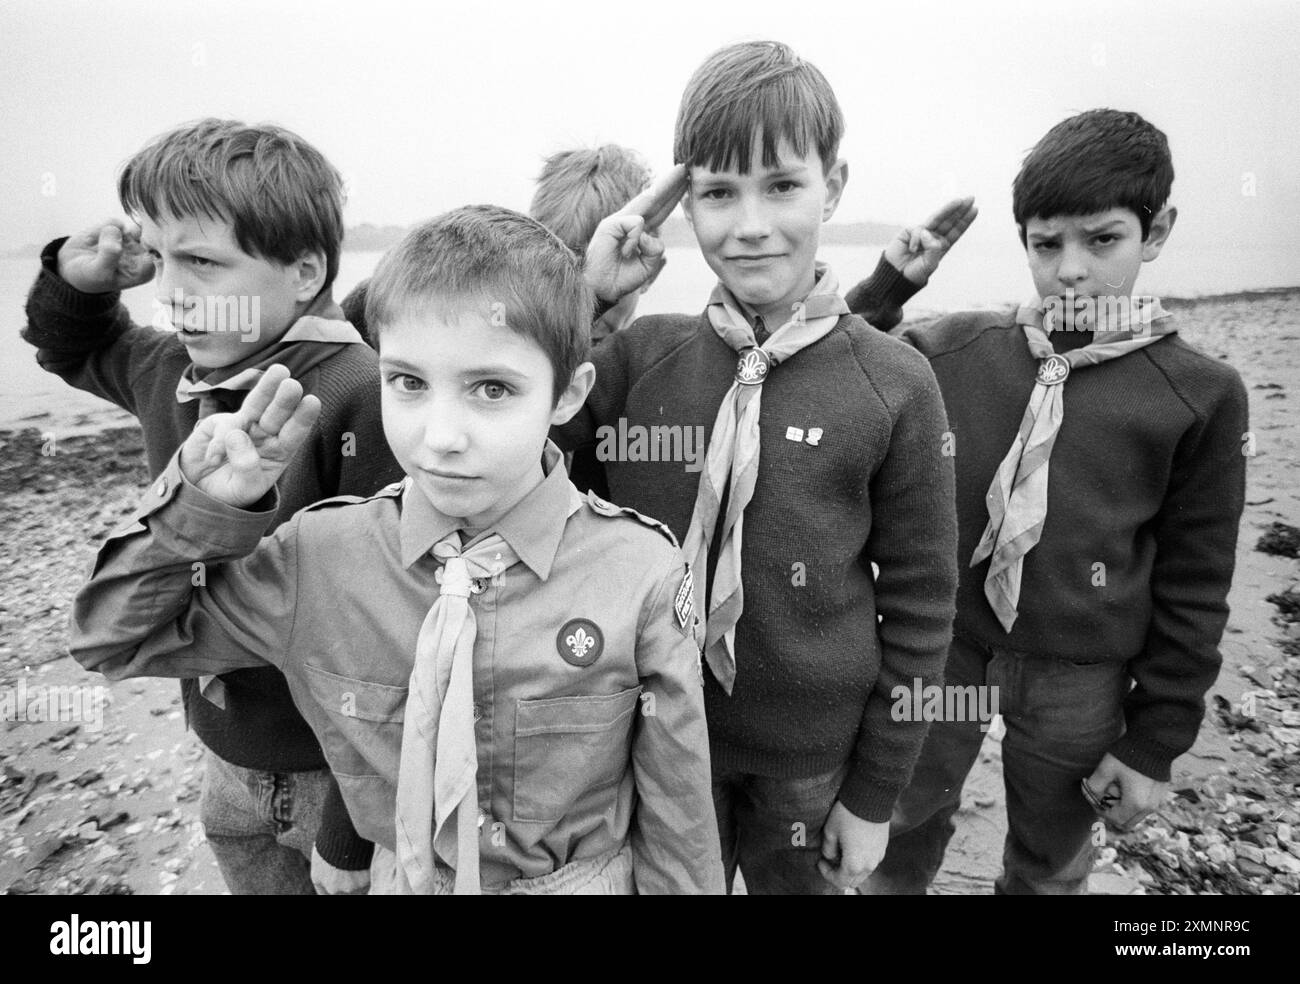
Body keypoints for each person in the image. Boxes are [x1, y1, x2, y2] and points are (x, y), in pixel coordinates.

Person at [70, 205, 725, 895]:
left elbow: (678, 815)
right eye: (408, 383)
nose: (440, 436)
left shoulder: (640, 574)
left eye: (492, 389)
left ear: (567, 393)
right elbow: (112, 640)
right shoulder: (317, 562)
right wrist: (203, 511)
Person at [555, 40, 960, 894]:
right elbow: (520, 454)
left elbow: (923, 600)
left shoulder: (893, 383)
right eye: (716, 193)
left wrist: (877, 794)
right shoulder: (635, 361)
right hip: (655, 737)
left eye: (782, 185)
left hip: (813, 760)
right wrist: (583, 299)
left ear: (834, 187)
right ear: (684, 206)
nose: (749, 224)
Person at [860, 109, 1250, 895]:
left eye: (1101, 239)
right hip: (950, 650)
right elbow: (837, 359)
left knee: (1050, 860)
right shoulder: (954, 351)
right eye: (1046, 244)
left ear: (1158, 230)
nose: (1070, 269)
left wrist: (1154, 742)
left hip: (1085, 672)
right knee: (896, 828)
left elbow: (1196, 581)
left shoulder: (1201, 396)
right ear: (1025, 244)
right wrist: (893, 282)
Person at [22, 118, 403, 894]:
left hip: (335, 776)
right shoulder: (169, 368)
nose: (168, 291)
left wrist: (352, 835)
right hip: (225, 754)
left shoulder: (359, 391)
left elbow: (390, 638)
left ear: (304, 272)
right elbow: (72, 348)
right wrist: (75, 276)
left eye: (200, 261)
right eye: (159, 259)